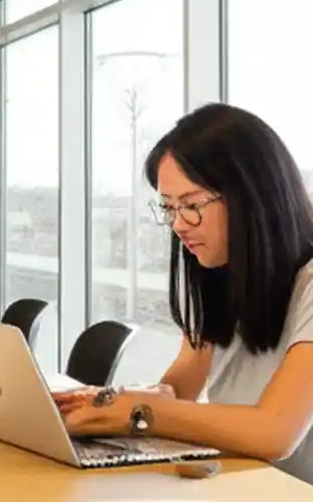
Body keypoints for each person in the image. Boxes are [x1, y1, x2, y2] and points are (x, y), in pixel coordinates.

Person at [53, 103, 313, 483]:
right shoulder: (219, 271)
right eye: (169, 208)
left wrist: (138, 412)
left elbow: (275, 432)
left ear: (252, 196)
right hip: (243, 481)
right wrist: (107, 401)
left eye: (191, 206)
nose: (178, 225)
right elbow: (179, 386)